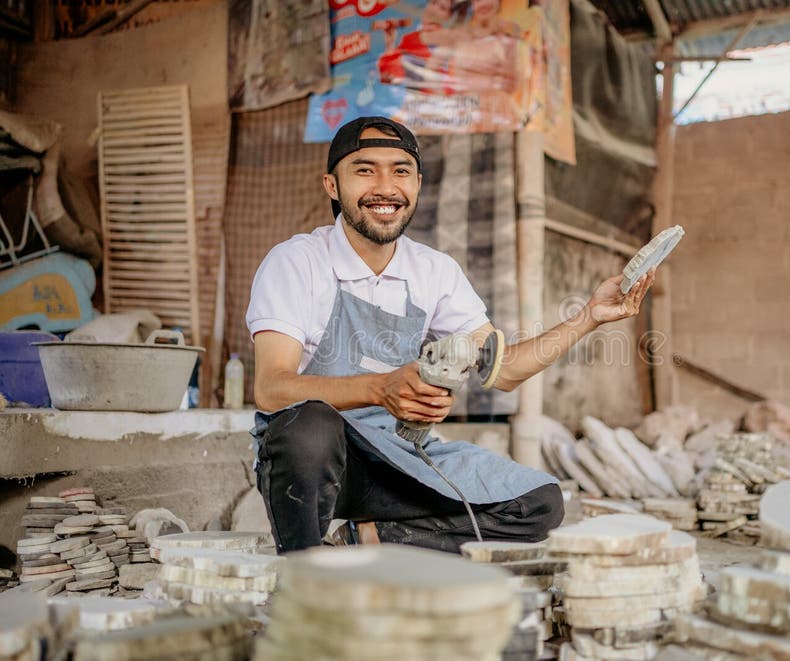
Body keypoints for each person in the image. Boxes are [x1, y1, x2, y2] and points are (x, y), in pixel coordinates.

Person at [246, 116, 656, 554]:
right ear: (332, 185)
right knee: (311, 424)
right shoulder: (297, 262)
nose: (386, 188)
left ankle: (369, 539)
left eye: (401, 171)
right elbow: (272, 389)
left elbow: (504, 371)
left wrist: (589, 316)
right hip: (316, 463)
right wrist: (381, 388)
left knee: (538, 502)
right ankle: (304, 570)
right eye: (365, 170)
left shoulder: (433, 271)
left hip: (396, 455)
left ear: (418, 184)